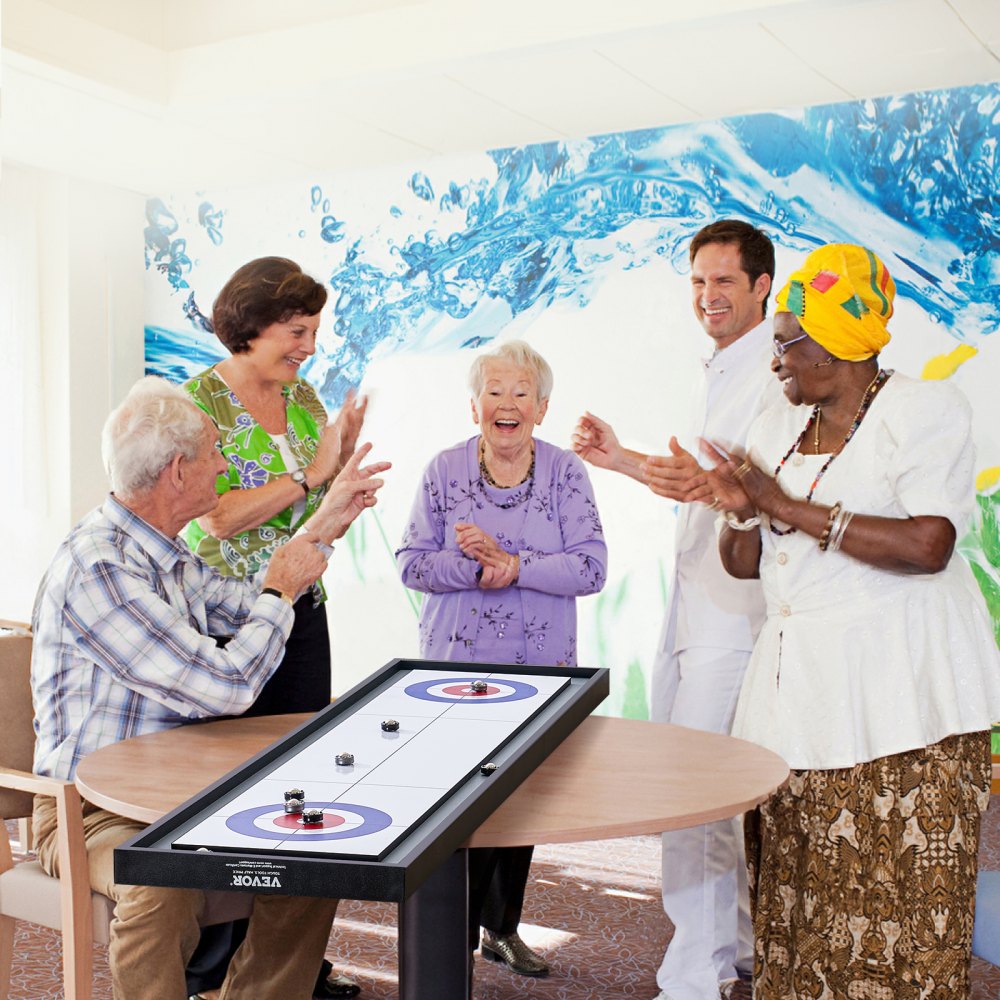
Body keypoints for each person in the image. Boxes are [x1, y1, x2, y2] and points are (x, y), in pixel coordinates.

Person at [702, 243, 1000, 999]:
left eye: (786, 345)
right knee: (798, 906)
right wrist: (739, 511)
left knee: (901, 913)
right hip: (795, 705)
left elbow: (929, 544)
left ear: (835, 346)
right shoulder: (778, 419)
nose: (775, 363)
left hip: (905, 708)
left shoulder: (923, 411)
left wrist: (781, 505)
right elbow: (743, 563)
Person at [30, 376, 387, 1000]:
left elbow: (249, 603)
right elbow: (226, 686)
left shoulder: (164, 553)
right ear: (177, 471)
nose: (225, 465)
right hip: (88, 811)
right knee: (159, 876)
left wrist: (323, 525)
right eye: (216, 453)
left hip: (184, 795)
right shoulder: (101, 566)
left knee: (322, 849)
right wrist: (280, 590)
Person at [572, 219, 782, 1000]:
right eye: (698, 282)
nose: (707, 297)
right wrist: (619, 457)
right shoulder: (722, 368)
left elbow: (723, 488)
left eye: (723, 282)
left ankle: (693, 975)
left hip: (733, 621)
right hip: (697, 609)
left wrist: (639, 464)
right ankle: (736, 950)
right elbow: (693, 483)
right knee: (706, 795)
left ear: (763, 286)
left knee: (694, 797)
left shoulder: (770, 374)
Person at [183, 257, 366, 998]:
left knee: (299, 787)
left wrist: (343, 491)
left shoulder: (306, 397)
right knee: (230, 789)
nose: (310, 347)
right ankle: (214, 964)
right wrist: (315, 476)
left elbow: (311, 511)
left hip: (302, 611)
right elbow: (219, 517)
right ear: (252, 327)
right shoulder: (199, 401)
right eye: (297, 332)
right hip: (227, 617)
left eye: (315, 332)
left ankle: (293, 966)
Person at [396, 339, 607, 979]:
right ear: (474, 405)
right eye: (494, 391)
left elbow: (591, 566)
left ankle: (503, 928)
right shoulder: (442, 471)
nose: (506, 404)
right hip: (453, 671)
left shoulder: (567, 472)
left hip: (539, 669)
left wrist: (515, 566)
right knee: (451, 806)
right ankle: (451, 937)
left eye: (520, 393)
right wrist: (473, 566)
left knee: (519, 802)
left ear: (541, 408)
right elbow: (411, 563)